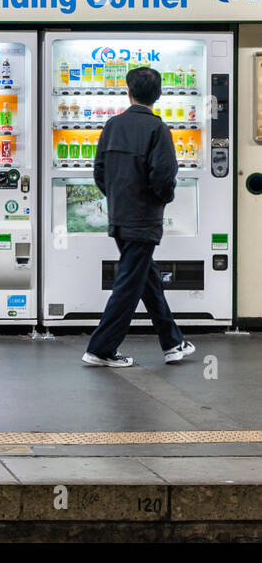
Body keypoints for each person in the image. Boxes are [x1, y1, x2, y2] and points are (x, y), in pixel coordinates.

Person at [84, 67, 194, 368]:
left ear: (129, 92)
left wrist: (117, 198)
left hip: (119, 216)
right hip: (144, 220)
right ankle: (100, 348)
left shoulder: (112, 125)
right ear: (158, 95)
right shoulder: (158, 129)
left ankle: (173, 343)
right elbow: (164, 174)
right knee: (129, 285)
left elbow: (99, 171)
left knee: (147, 279)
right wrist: (162, 198)